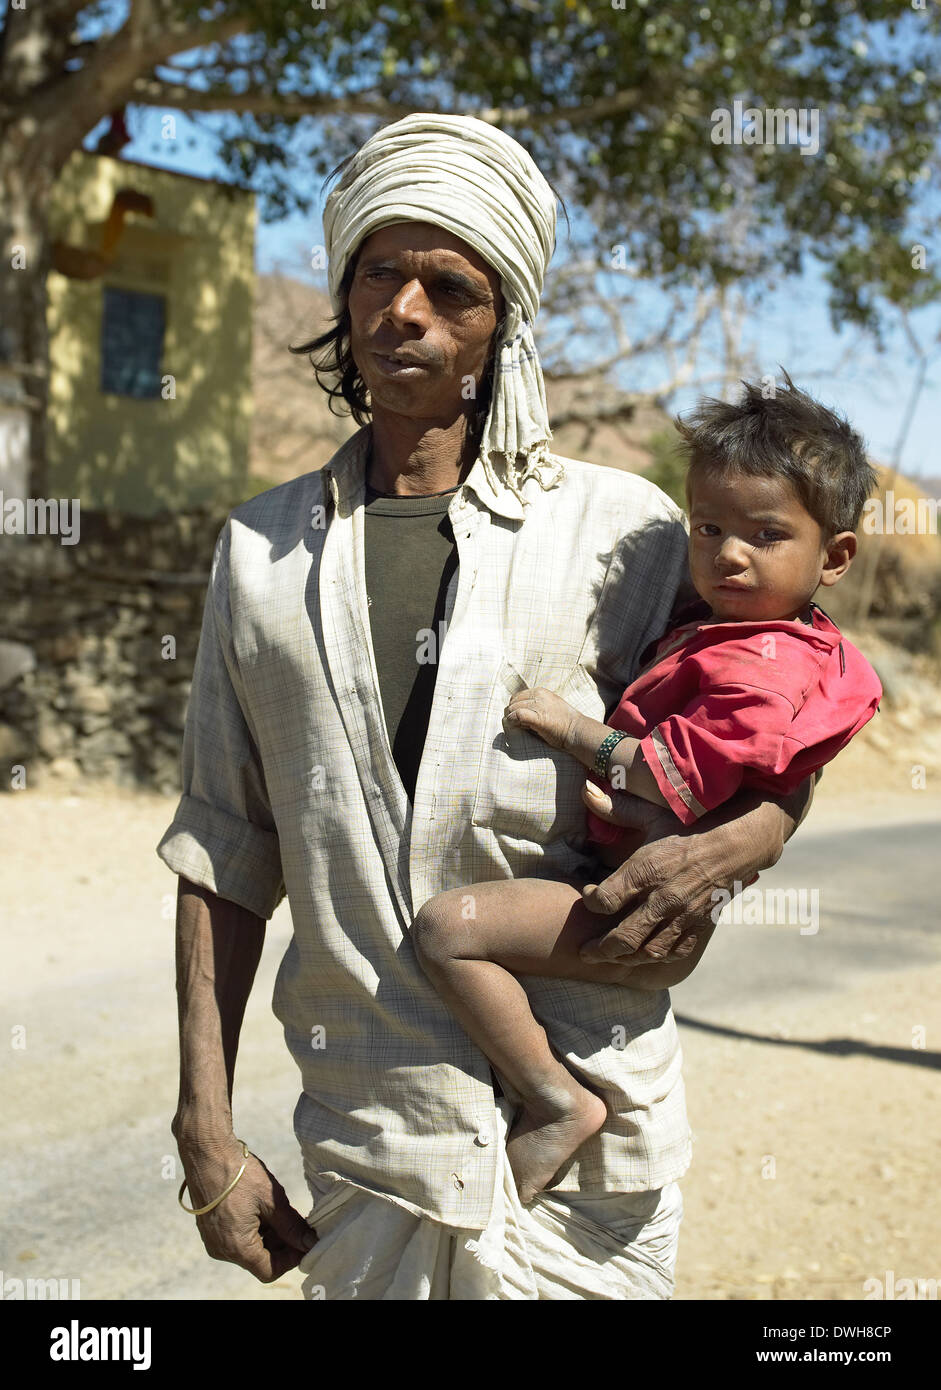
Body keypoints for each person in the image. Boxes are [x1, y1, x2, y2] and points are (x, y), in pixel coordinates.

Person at [158, 112, 816, 1301]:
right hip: (372, 1138)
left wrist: (742, 840)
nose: (403, 309)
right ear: (346, 291)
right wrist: (204, 1127)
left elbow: (781, 707)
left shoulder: (629, 534)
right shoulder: (257, 551)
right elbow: (222, 845)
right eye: (378, 273)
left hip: (594, 1142)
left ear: (501, 318)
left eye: (448, 287)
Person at [410, 373, 883, 1205]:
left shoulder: (761, 670)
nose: (727, 553)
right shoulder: (757, 633)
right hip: (621, 889)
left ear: (833, 556)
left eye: (765, 534)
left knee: (449, 930)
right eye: (707, 528)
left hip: (635, 906)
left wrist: (567, 729)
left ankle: (557, 1102)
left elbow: (673, 773)